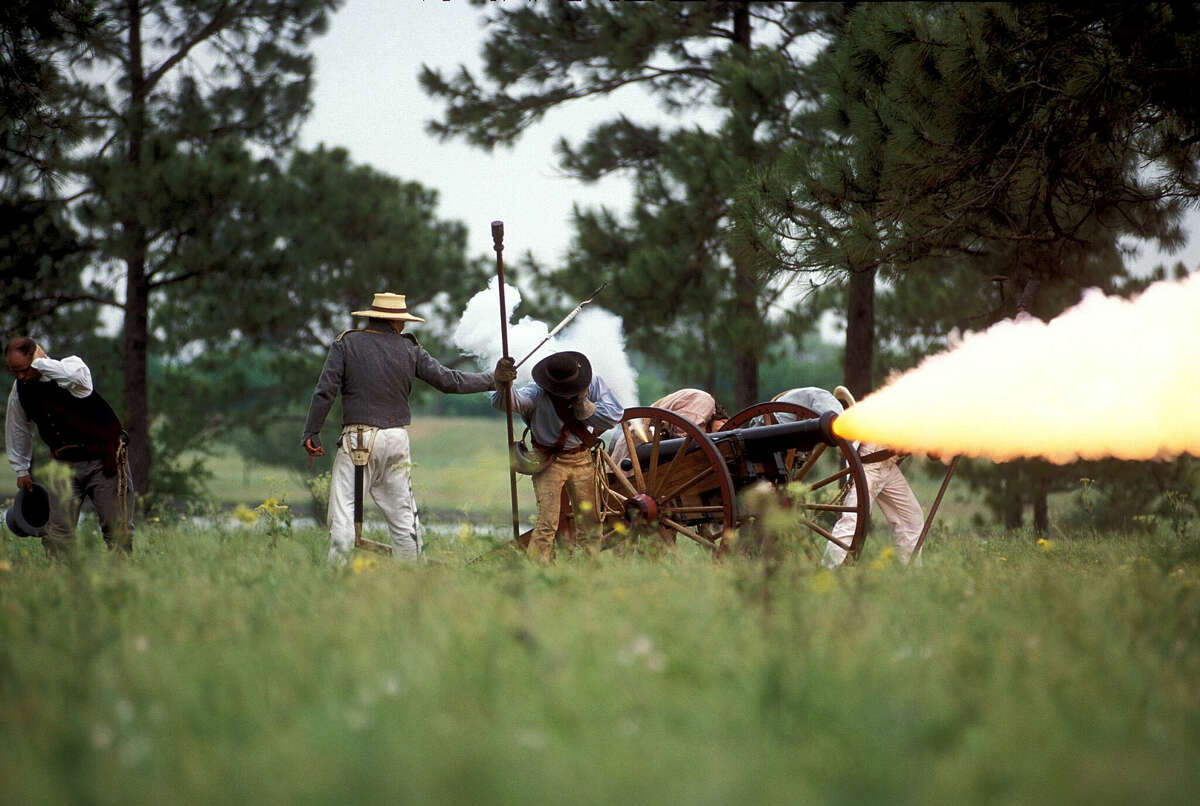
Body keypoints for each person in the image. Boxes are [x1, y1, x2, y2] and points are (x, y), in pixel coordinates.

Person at [303, 292, 507, 563]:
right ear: (397, 323)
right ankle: (410, 577)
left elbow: (324, 392)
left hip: (359, 439)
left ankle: (337, 575)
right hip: (398, 438)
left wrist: (311, 431)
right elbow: (450, 381)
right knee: (403, 520)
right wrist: (493, 379)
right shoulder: (410, 349)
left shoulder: (346, 343)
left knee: (344, 515)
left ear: (372, 317)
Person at [492, 350, 622, 563]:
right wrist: (502, 383)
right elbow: (509, 403)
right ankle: (537, 571)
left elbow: (614, 415)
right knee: (547, 523)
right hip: (548, 462)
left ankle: (592, 569)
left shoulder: (593, 382)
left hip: (581, 459)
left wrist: (586, 406)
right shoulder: (536, 392)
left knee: (590, 521)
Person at [5, 337, 133, 553]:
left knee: (117, 530)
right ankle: (58, 581)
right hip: (63, 465)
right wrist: (21, 468)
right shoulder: (20, 389)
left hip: (104, 460)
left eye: (24, 369)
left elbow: (73, 377)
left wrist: (40, 362)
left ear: (35, 356)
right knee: (57, 535)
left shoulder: (72, 368)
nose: (21, 376)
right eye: (15, 372)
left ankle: (123, 577)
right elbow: (17, 428)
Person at [824, 385, 925, 568]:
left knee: (911, 518)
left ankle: (912, 573)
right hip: (867, 467)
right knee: (852, 522)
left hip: (888, 467)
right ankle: (827, 570)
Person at [608, 387, 728, 464]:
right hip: (636, 447)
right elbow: (685, 434)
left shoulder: (703, 410)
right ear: (722, 419)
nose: (720, 433)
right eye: (724, 426)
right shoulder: (706, 401)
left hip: (640, 448)